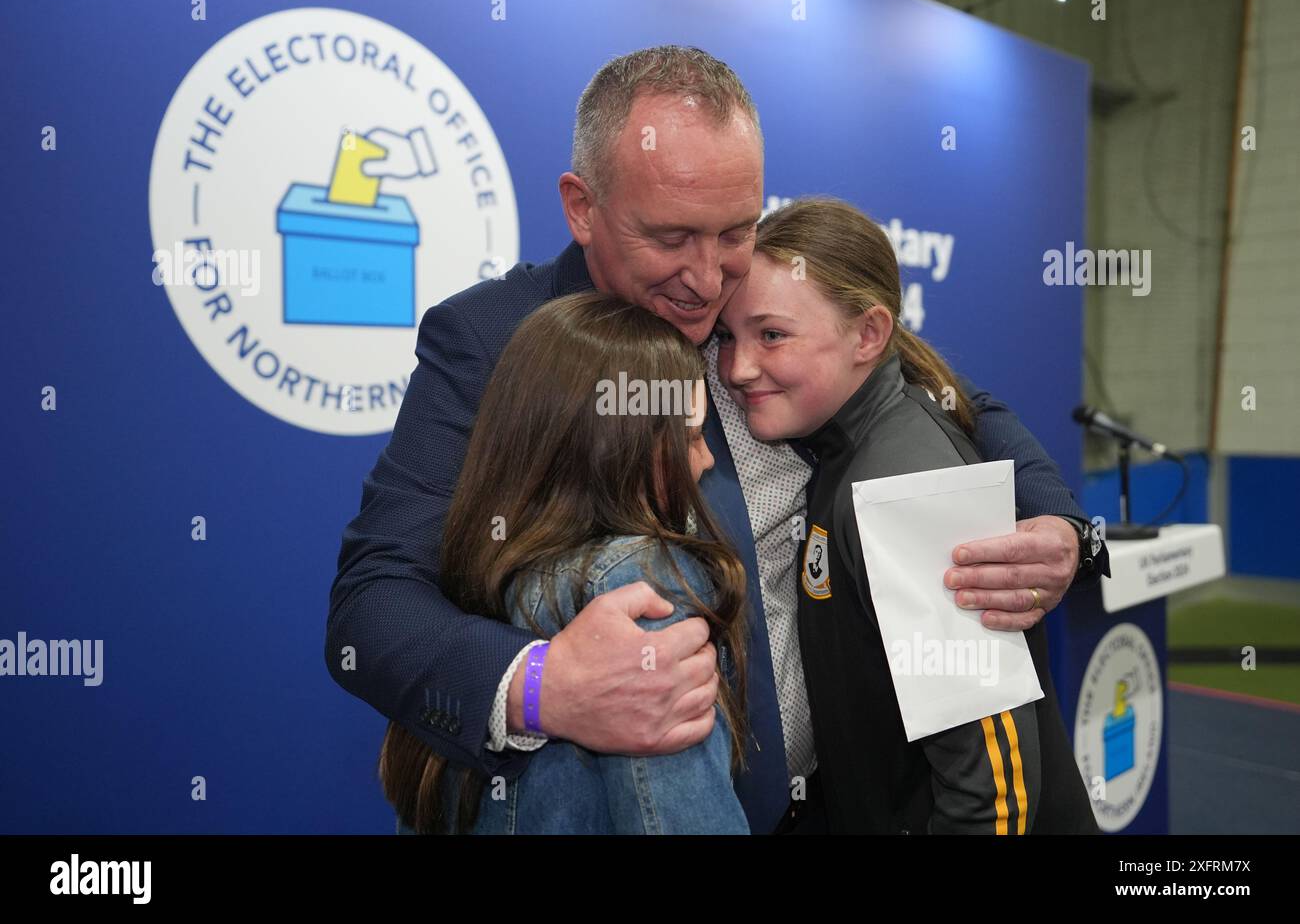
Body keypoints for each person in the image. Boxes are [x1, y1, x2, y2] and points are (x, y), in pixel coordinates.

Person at [327, 45, 1109, 835]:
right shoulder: (495, 340)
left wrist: (1064, 529)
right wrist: (544, 688)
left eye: (735, 230)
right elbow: (372, 604)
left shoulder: (765, 300)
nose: (707, 279)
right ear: (582, 206)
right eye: (670, 238)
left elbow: (944, 392)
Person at [715, 196, 1097, 833]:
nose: (738, 366)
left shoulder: (912, 488)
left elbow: (993, 795)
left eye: (772, 334)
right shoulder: (841, 446)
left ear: (869, 335)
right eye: (729, 335)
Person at [382, 292, 750, 833]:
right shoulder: (640, 585)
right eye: (689, 438)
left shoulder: (463, 590)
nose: (707, 460)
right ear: (625, 448)